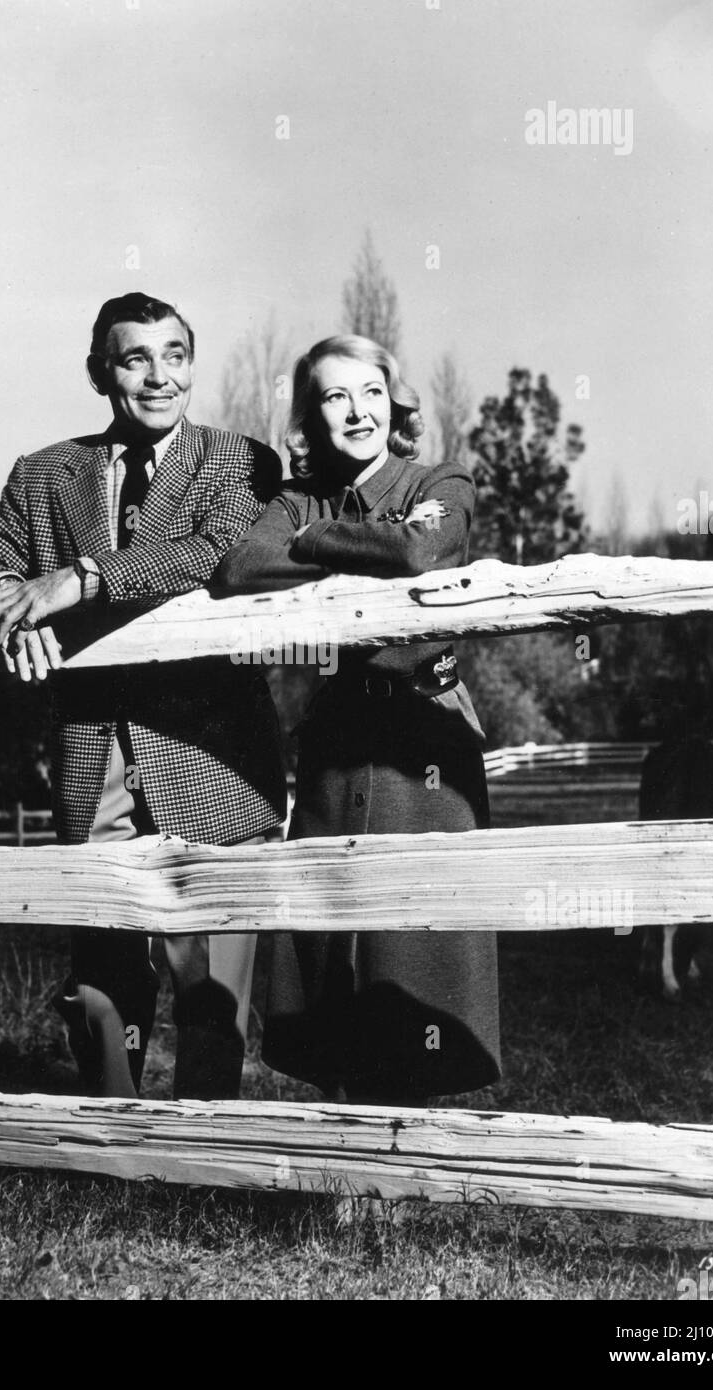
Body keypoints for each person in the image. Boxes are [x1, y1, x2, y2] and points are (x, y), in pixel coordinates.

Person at [0, 292, 285, 1101]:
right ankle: (111, 1145)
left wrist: (76, 581)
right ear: (101, 372)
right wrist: (5, 597)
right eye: (135, 358)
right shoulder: (45, 473)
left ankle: (204, 1145)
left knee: (211, 969)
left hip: (211, 752)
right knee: (100, 965)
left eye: (175, 355)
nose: (158, 377)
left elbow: (208, 553)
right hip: (93, 747)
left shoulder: (242, 461)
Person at [214, 334, 500, 1108]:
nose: (357, 411)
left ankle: (407, 1163)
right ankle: (344, 1161)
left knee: (414, 940)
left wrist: (312, 545)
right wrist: (329, 537)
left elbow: (420, 549)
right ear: (311, 415)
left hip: (424, 739)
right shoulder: (296, 498)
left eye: (371, 392)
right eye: (335, 397)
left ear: (394, 401)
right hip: (337, 737)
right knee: (330, 937)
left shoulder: (439, 477)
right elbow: (240, 566)